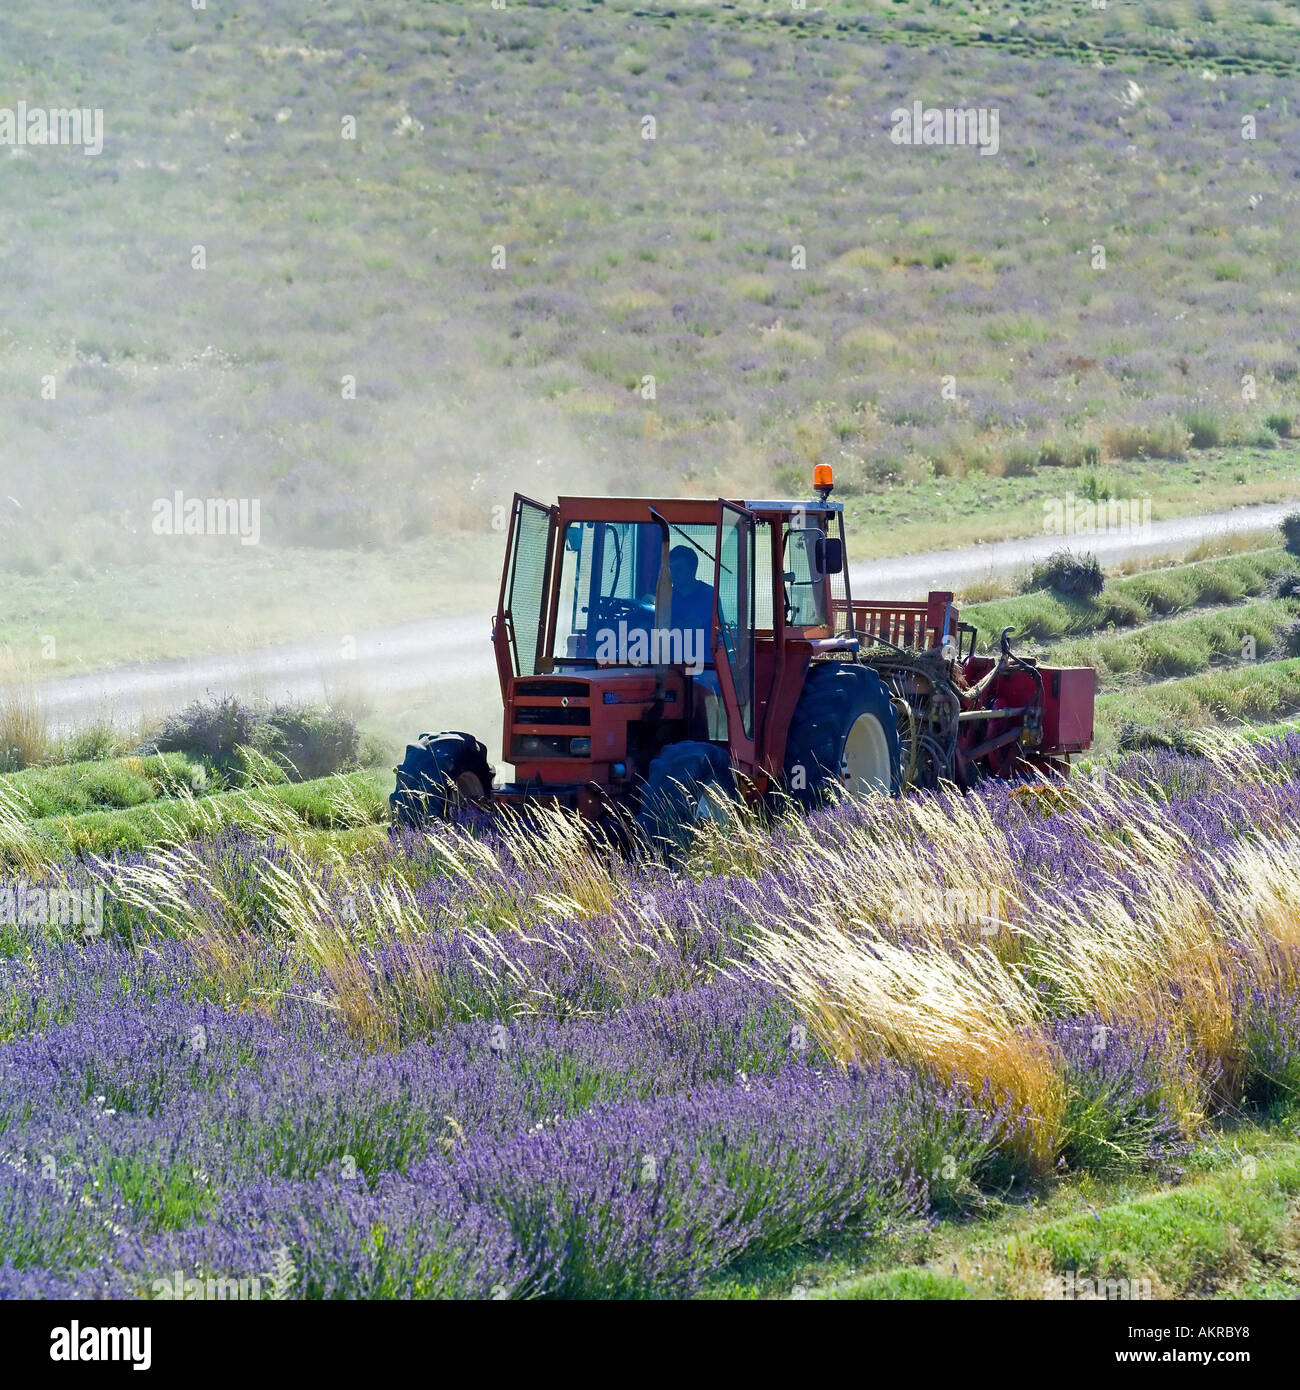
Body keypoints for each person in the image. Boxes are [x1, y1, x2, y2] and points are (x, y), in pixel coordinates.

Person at [668, 544, 715, 640]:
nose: (673, 574)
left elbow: (690, 626)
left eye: (679, 568)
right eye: (671, 568)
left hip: (700, 652)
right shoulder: (666, 595)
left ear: (693, 568)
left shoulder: (708, 595)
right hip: (668, 652)